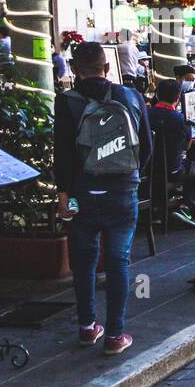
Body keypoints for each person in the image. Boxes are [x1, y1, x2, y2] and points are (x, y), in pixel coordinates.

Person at [54, 43, 151, 357]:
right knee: (118, 261)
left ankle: (86, 328)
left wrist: (63, 194)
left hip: (81, 194)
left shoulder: (66, 102)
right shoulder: (131, 96)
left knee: (83, 262)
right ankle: (115, 335)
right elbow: (146, 147)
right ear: (107, 67)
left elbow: (63, 153)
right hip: (123, 191)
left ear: (75, 70)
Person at [149, 79, 195, 228]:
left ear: (157, 95)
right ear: (178, 98)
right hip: (173, 171)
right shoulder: (181, 119)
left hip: (147, 170)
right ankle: (186, 206)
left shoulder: (145, 114)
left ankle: (161, 207)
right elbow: (187, 146)